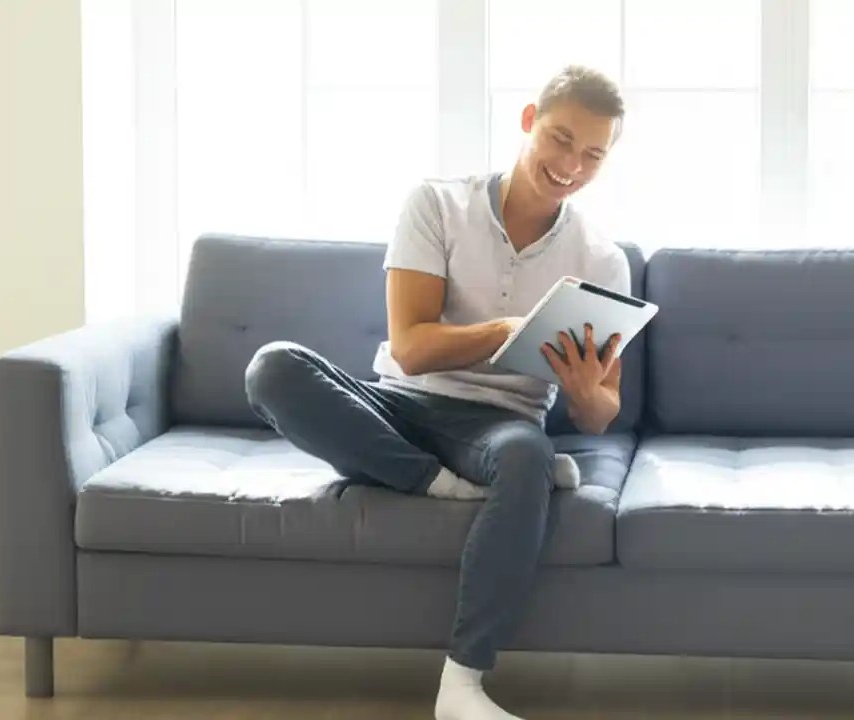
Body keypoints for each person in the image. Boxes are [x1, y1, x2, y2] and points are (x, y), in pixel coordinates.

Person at [243, 65, 630, 720]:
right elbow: (412, 348)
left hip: (498, 421)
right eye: (561, 140)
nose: (571, 165)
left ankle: (462, 686)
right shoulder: (436, 204)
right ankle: (437, 482)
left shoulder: (602, 260)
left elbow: (598, 417)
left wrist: (585, 390)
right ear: (529, 120)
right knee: (274, 367)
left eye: (592, 154)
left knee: (526, 456)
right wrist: (509, 331)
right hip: (400, 403)